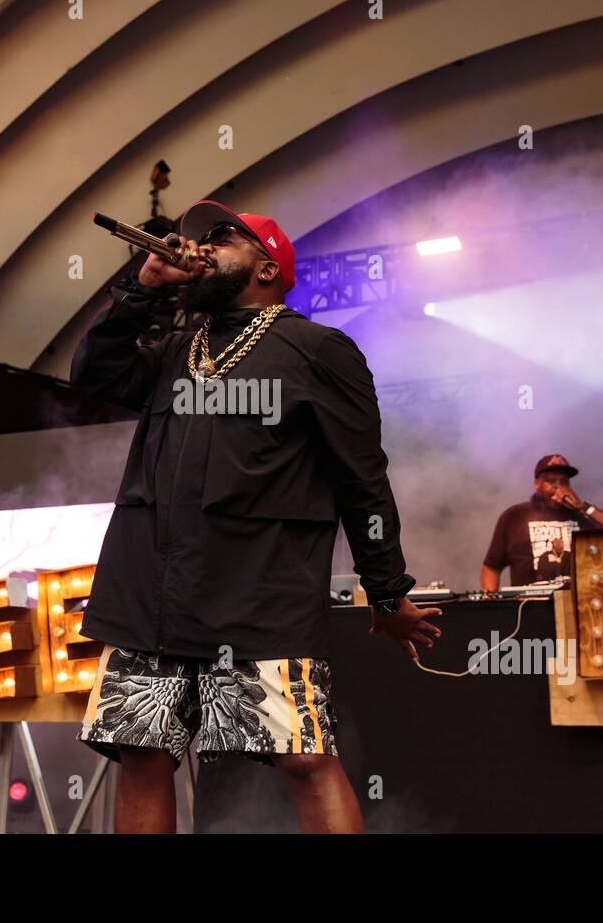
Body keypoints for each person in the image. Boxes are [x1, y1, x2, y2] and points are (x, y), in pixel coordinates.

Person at [71, 200, 439, 833]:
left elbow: (363, 479)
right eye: (199, 239)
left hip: (257, 597)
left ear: (268, 267)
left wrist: (386, 591)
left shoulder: (318, 351)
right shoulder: (173, 353)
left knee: (301, 759)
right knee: (142, 755)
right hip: (148, 599)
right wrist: (141, 287)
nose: (202, 247)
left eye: (222, 238)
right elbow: (93, 373)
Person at [480, 454, 603, 590]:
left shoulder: (585, 515)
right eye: (551, 481)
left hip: (580, 608)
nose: (559, 487)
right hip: (528, 610)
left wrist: (584, 507)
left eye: (564, 482)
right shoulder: (514, 516)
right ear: (536, 484)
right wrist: (492, 604)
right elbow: (491, 567)